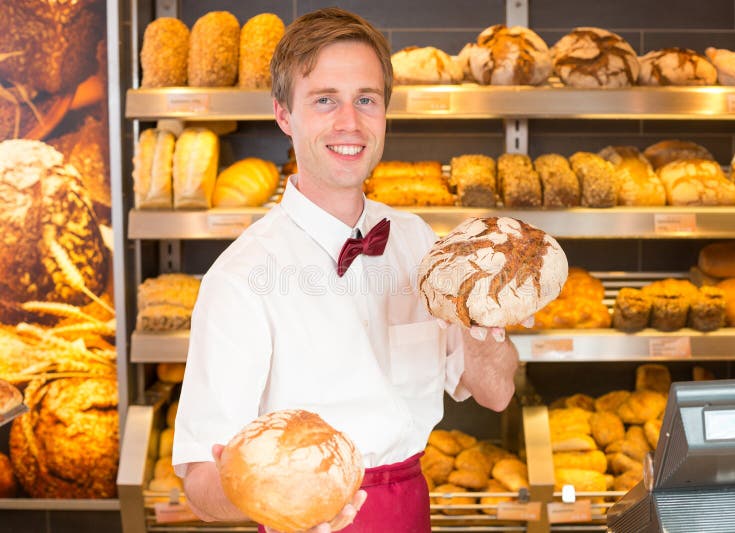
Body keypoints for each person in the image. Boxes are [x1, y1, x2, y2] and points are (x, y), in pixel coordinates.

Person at [172, 7, 520, 533]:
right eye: (324, 100)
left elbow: (495, 393)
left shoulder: (419, 242)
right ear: (284, 115)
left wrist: (485, 325)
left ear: (385, 113)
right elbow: (200, 481)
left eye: (366, 100)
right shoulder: (241, 278)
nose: (349, 123)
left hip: (411, 508)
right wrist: (275, 496)